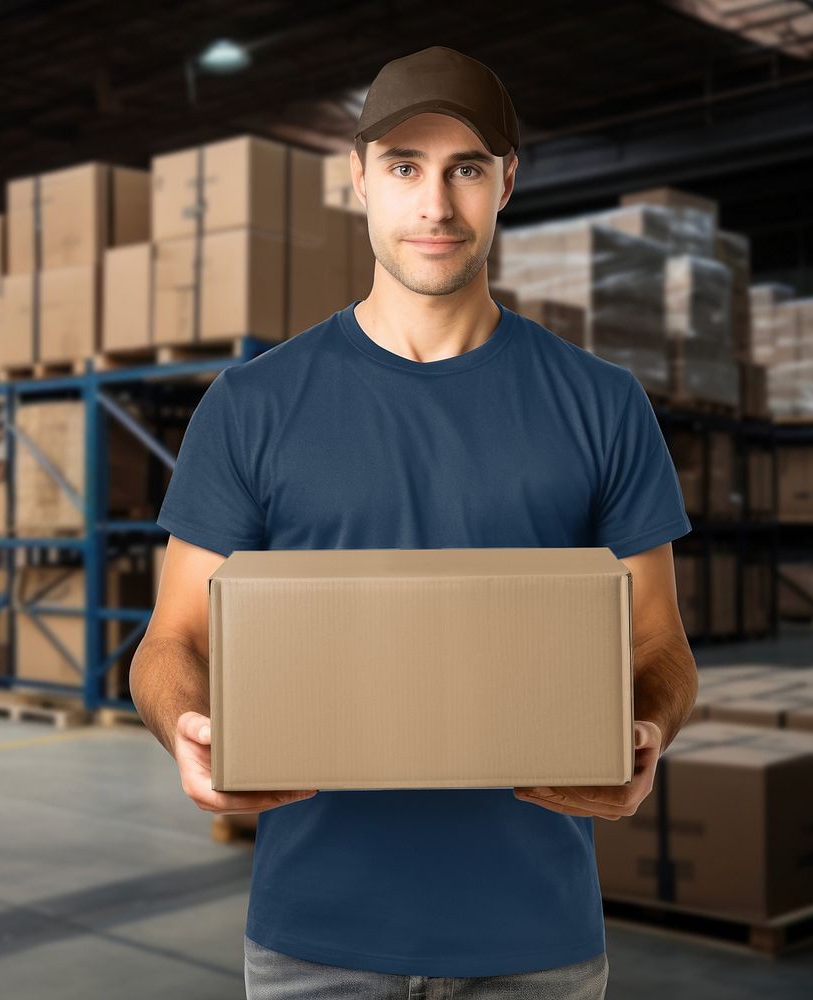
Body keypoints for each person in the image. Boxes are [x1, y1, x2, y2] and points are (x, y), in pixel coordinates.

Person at [131, 44, 698, 1000]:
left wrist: (647, 729)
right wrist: (181, 725)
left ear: (507, 183)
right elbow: (171, 640)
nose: (434, 206)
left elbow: (662, 648)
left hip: (538, 943)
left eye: (465, 169)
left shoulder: (602, 405)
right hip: (315, 941)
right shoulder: (253, 404)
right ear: (358, 179)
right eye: (404, 167)